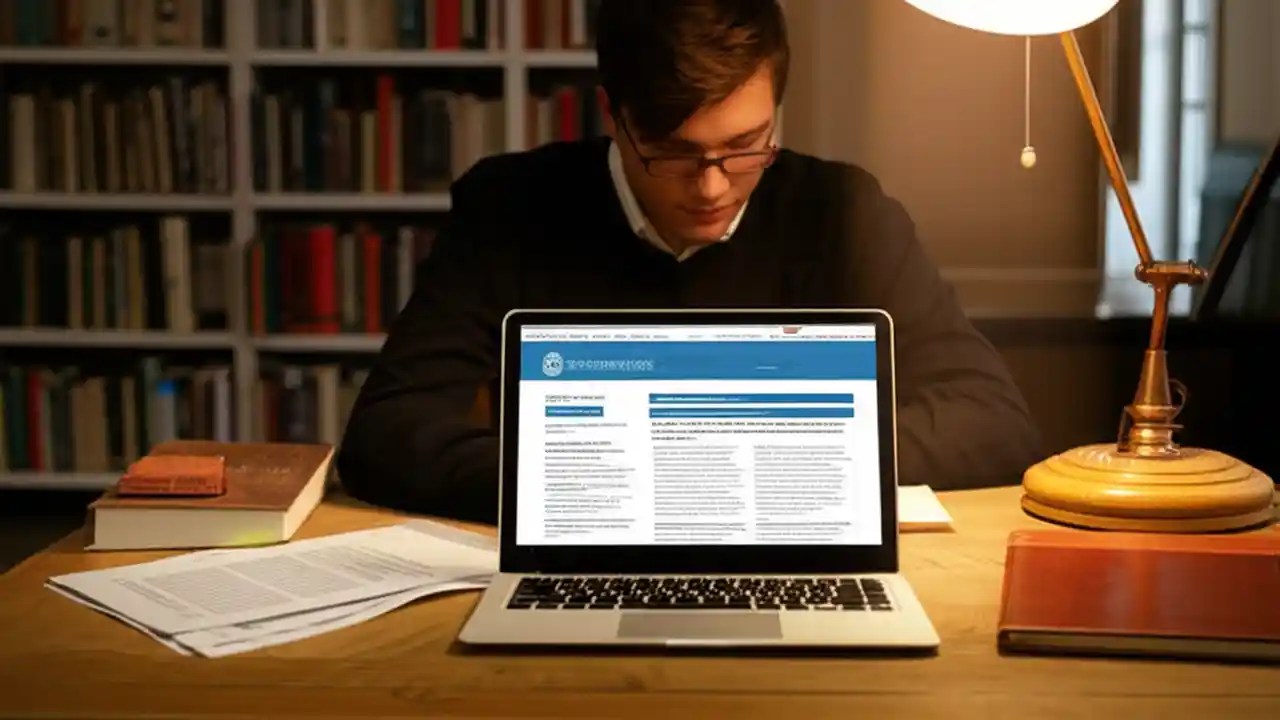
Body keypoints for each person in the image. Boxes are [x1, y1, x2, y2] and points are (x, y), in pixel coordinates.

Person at [337, 0, 1043, 522]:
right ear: (613, 114)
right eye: (673, 153)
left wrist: (742, 468)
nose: (711, 187)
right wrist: (608, 478)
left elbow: (992, 422)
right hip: (583, 554)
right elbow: (385, 436)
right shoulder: (509, 207)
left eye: (746, 144)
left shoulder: (842, 212)